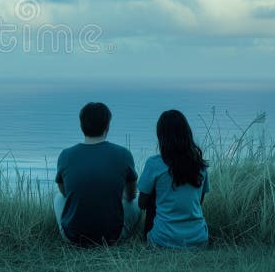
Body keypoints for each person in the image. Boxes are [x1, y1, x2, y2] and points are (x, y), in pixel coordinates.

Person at [54, 102, 140, 246]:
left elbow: (65, 193)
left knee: (58, 198)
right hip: (112, 237)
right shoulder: (124, 154)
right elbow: (130, 196)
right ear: (107, 126)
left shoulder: (65, 155)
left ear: (81, 126)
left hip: (73, 237)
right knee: (136, 202)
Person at [138, 109, 210, 249]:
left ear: (161, 137)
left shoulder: (154, 163)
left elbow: (141, 204)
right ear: (187, 134)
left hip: (163, 240)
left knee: (152, 194)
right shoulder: (201, 165)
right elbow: (198, 202)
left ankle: (151, 237)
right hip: (199, 239)